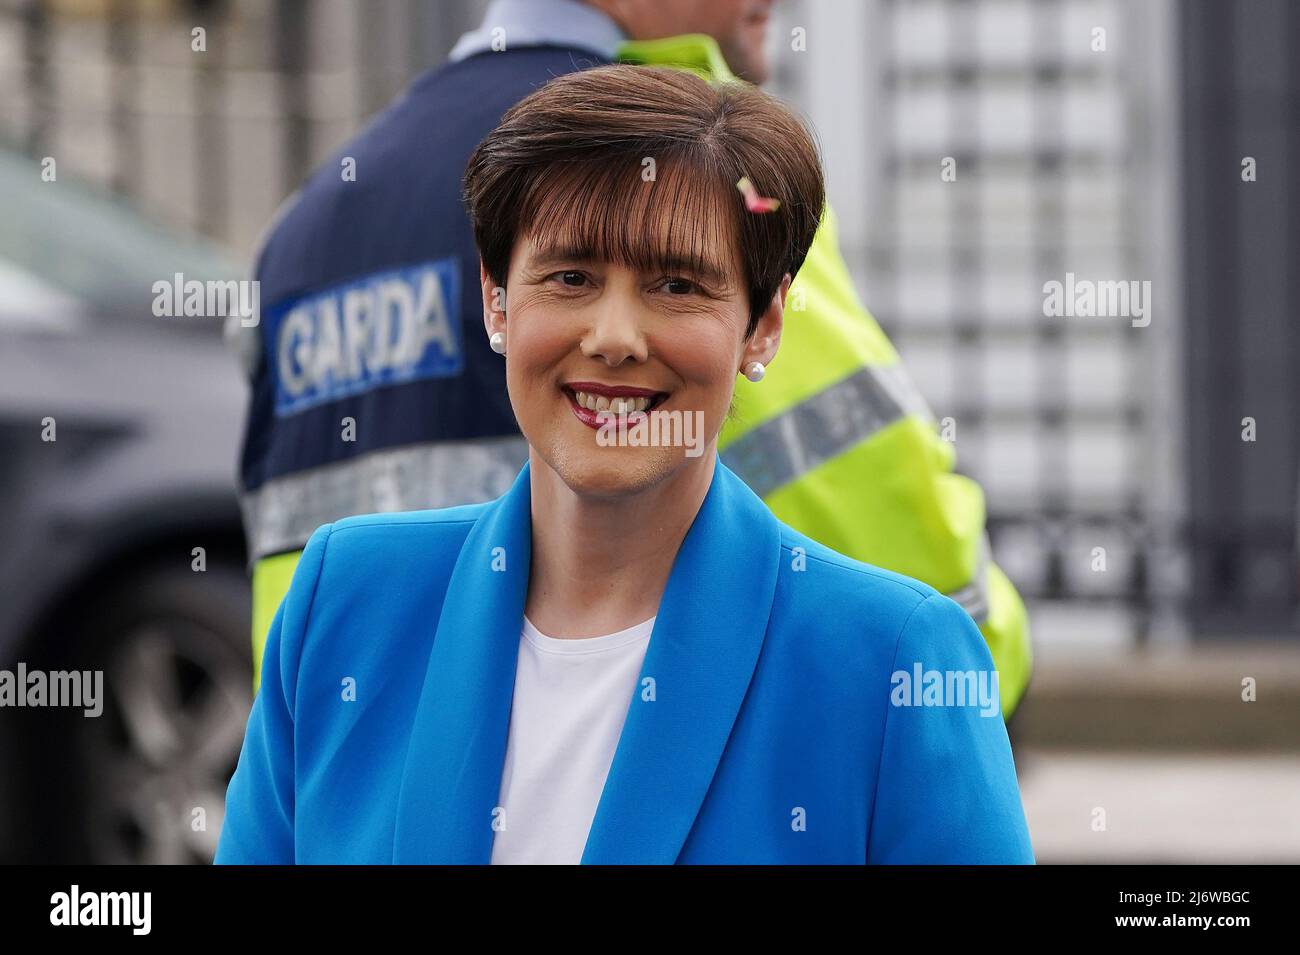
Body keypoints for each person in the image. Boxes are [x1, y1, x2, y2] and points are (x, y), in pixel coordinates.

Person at [215, 64, 1034, 865]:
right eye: (570, 276)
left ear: (764, 325)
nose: (613, 335)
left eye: (676, 285)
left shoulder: (890, 659)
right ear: (497, 298)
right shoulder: (343, 604)